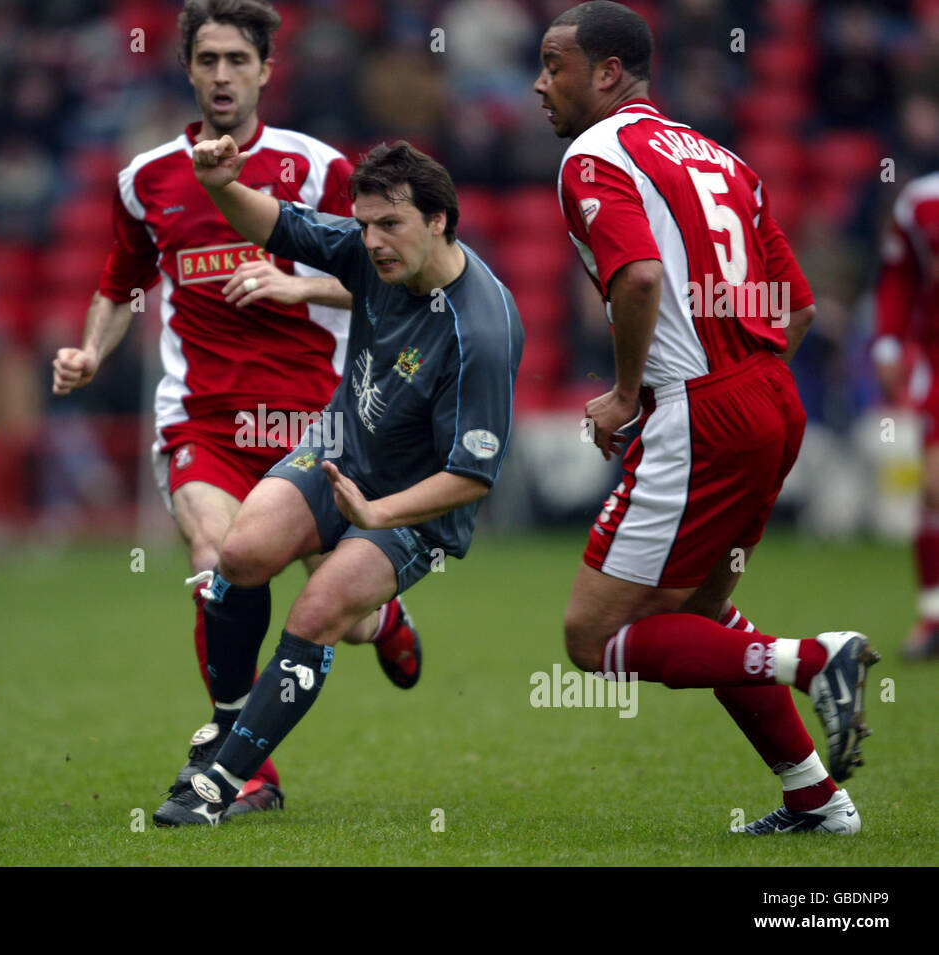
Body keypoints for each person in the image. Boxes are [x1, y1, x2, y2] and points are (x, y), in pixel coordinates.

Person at [51, 0, 421, 819]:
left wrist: (299, 282)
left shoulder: (321, 169)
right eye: (208, 59)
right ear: (188, 67)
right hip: (205, 420)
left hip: (313, 424)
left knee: (335, 611)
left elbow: (387, 274)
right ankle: (243, 761)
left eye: (238, 61)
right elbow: (119, 287)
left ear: (265, 71)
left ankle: (381, 612)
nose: (222, 75)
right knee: (218, 569)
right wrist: (90, 350)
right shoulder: (145, 178)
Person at [536, 1, 878, 834]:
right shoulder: (722, 157)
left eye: (556, 66)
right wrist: (744, 388)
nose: (540, 84)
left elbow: (641, 280)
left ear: (609, 72)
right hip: (768, 397)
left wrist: (627, 394)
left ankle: (809, 659)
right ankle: (814, 798)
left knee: (591, 640)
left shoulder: (595, 154)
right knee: (697, 617)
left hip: (701, 412)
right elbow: (796, 308)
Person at [152, 137, 524, 826]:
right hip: (339, 449)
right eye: (365, 224)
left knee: (317, 614)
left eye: (392, 225)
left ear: (440, 218)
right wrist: (219, 184)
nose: (374, 242)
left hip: (415, 510)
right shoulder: (367, 253)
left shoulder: (485, 328)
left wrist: (378, 516)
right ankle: (226, 730)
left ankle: (223, 785)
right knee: (238, 556)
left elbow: (473, 475)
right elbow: (275, 222)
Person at [873, 170, 939, 659]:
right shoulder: (919, 202)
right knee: (935, 487)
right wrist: (889, 342)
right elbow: (898, 278)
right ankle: (933, 617)